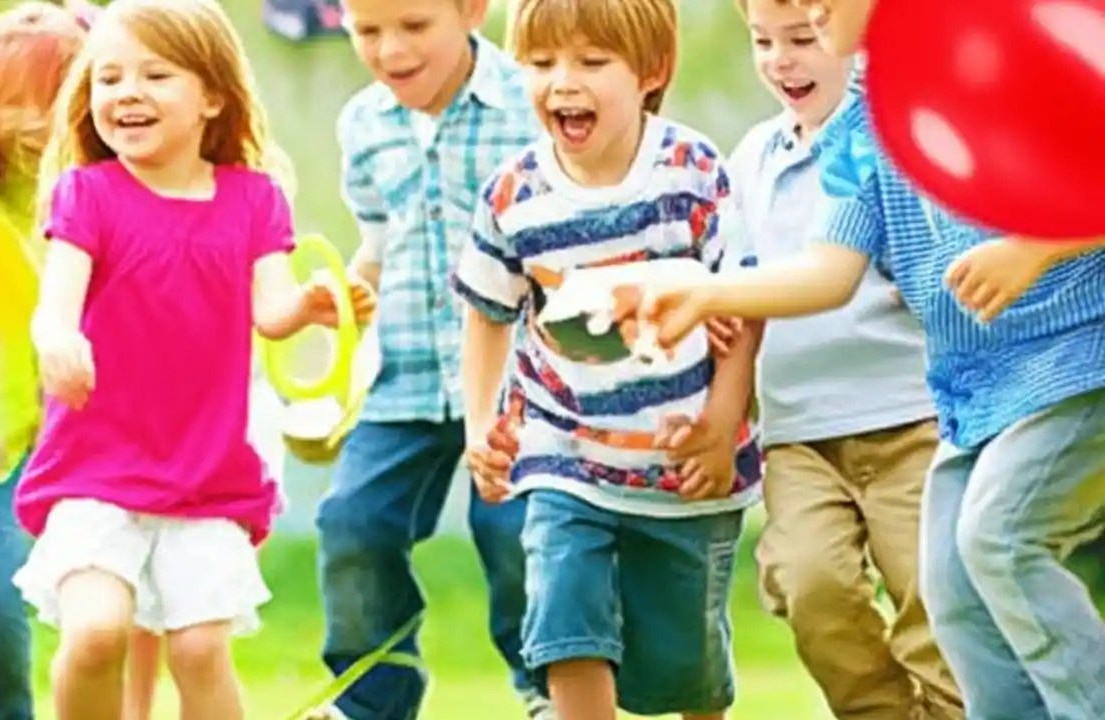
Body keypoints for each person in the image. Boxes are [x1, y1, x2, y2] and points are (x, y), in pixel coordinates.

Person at [635, 1, 1105, 717]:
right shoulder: (862, 128)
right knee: (952, 587)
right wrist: (704, 293)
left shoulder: (990, 48)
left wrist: (1031, 247)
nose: (807, 12)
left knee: (999, 540)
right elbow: (828, 273)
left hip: (1079, 359)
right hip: (978, 394)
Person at [9, 1, 373, 718]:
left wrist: (313, 307)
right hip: (95, 469)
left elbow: (271, 312)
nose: (126, 93)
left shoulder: (253, 199)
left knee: (202, 651)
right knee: (94, 634)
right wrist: (56, 340)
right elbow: (56, 302)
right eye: (108, 78)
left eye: (154, 74)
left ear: (212, 95)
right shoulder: (89, 195)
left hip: (204, 475)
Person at [455, 1, 762, 718]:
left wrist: (722, 423)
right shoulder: (513, 194)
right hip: (563, 450)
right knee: (565, 622)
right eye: (541, 63)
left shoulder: (689, 172)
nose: (563, 82)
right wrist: (481, 423)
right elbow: (487, 310)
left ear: (650, 71)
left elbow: (743, 308)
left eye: (592, 63)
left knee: (688, 666)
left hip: (682, 461)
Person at [723, 1, 963, 717]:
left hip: (908, 420)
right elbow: (739, 298)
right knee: (808, 582)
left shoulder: (885, 139)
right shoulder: (752, 160)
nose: (780, 59)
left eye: (801, 39)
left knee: (933, 598)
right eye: (763, 41)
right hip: (800, 433)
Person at [311, 0, 543, 718]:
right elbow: (381, 242)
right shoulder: (363, 124)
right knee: (352, 523)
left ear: (472, 9)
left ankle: (552, 688)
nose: (390, 50)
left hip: (512, 379)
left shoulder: (528, 101)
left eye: (413, 27)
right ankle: (369, 701)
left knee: (515, 535)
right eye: (367, 31)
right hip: (404, 372)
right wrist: (353, 287)